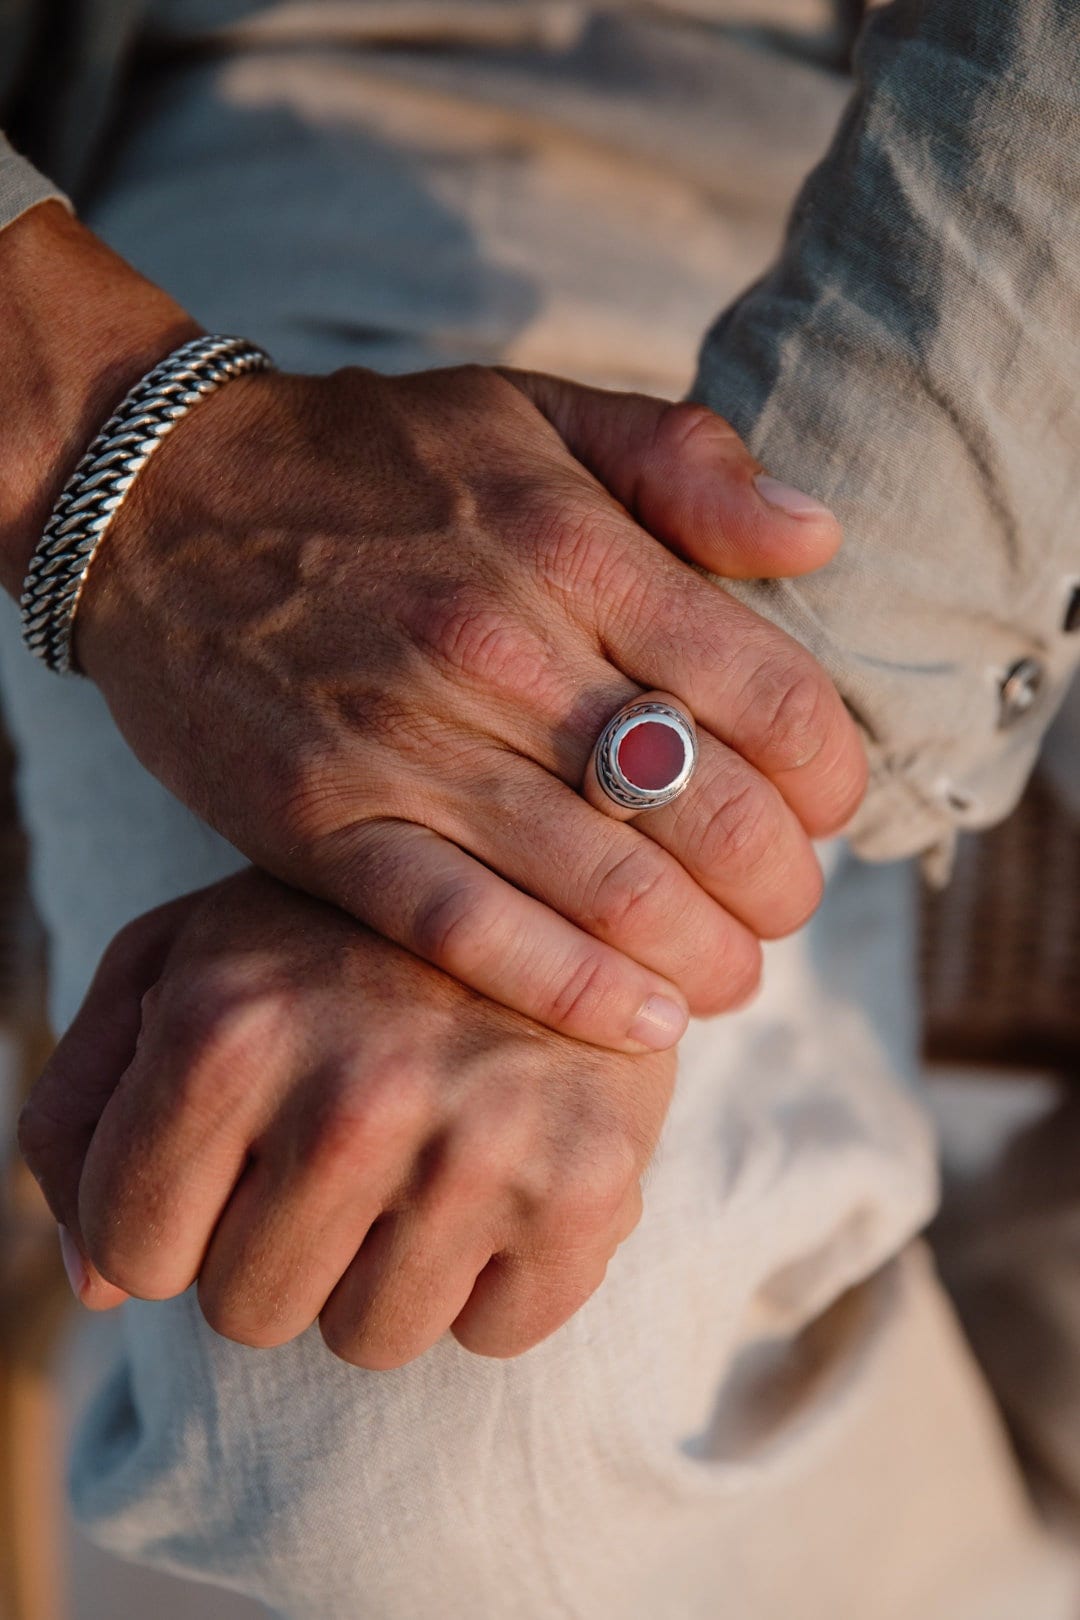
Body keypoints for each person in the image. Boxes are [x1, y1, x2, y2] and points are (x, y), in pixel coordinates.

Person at [6, 0, 1080, 1614]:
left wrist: (641, 769)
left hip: (999, 214)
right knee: (399, 1432)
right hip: (271, 125)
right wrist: (141, 468)